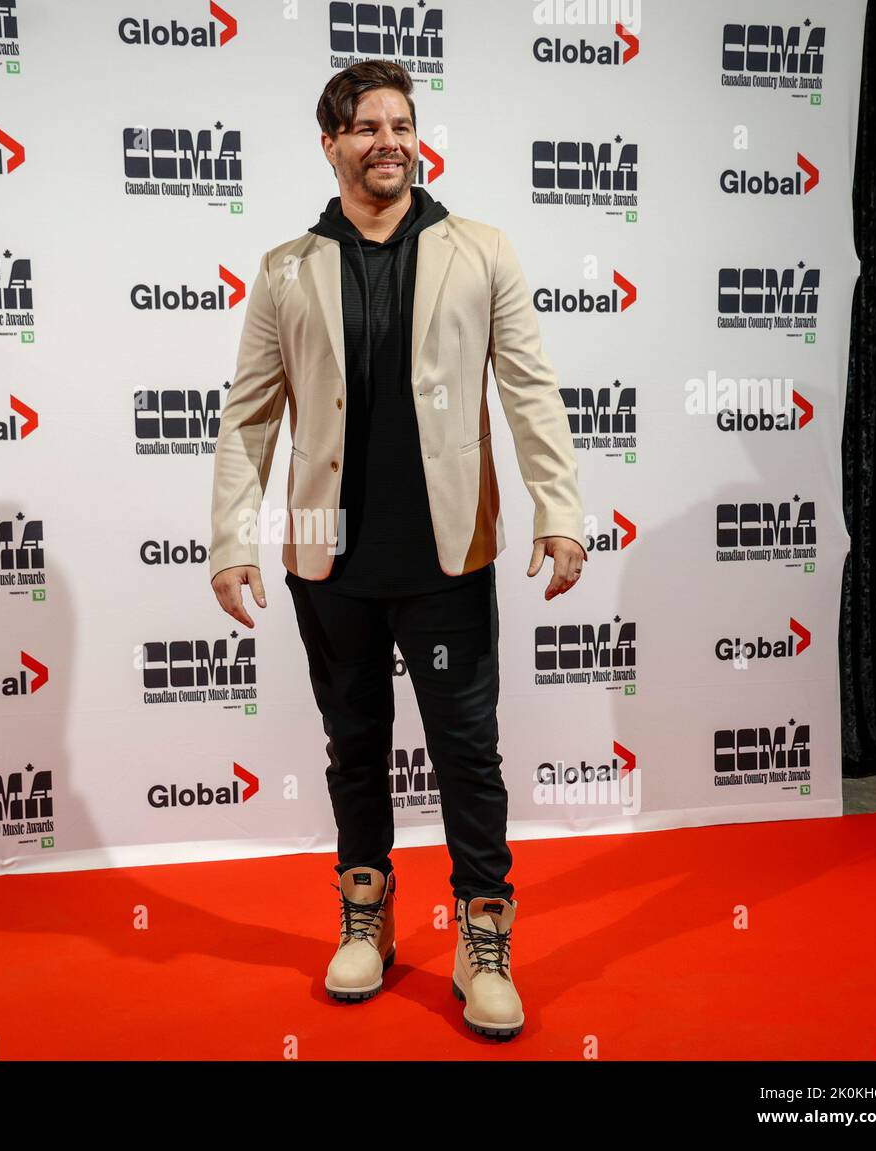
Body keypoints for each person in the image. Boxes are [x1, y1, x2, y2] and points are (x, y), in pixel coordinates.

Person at [207, 60, 587, 1040]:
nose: (388, 140)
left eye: (401, 123)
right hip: (328, 554)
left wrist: (560, 508)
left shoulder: (480, 250)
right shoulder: (287, 266)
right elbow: (247, 415)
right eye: (366, 126)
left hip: (445, 550)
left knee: (467, 749)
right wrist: (229, 537)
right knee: (354, 745)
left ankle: (481, 934)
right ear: (330, 143)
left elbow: (530, 392)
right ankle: (365, 916)